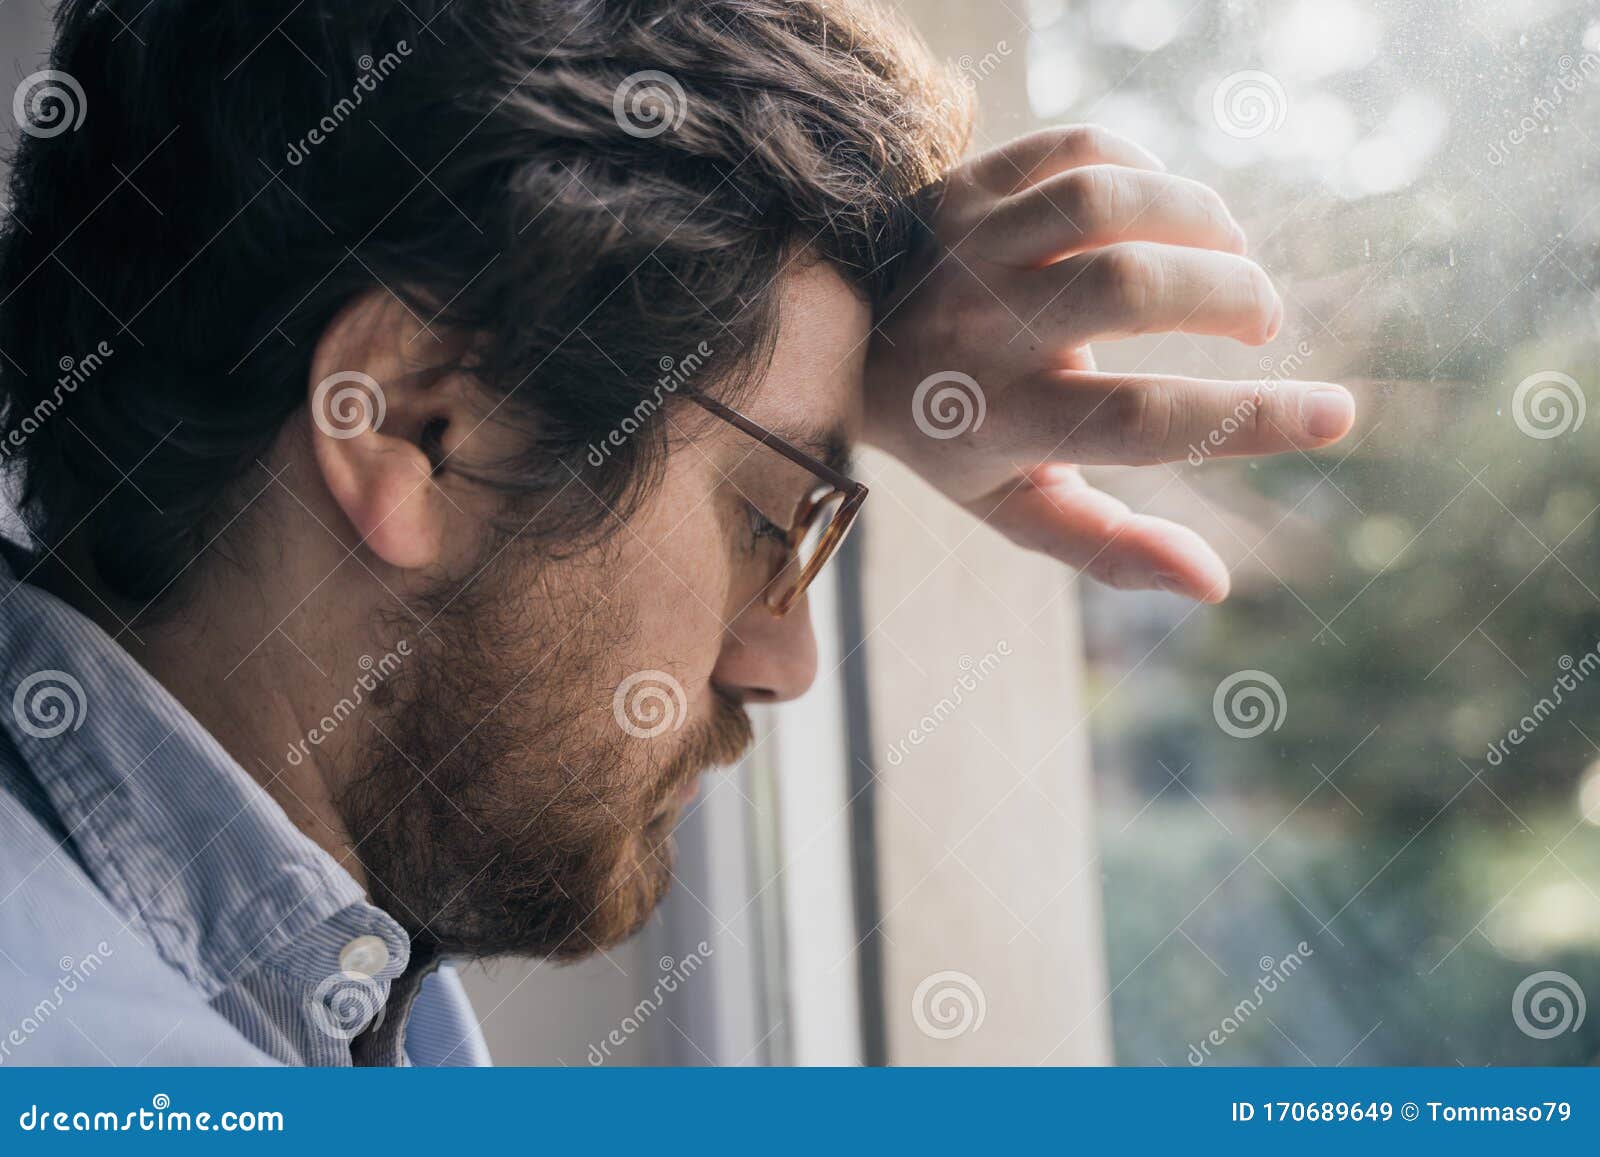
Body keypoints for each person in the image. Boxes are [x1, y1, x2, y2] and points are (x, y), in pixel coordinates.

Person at [0, 0, 1354, 1065]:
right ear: (416, 427)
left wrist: (814, 378)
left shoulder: (276, 975)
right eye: (768, 523)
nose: (781, 661)